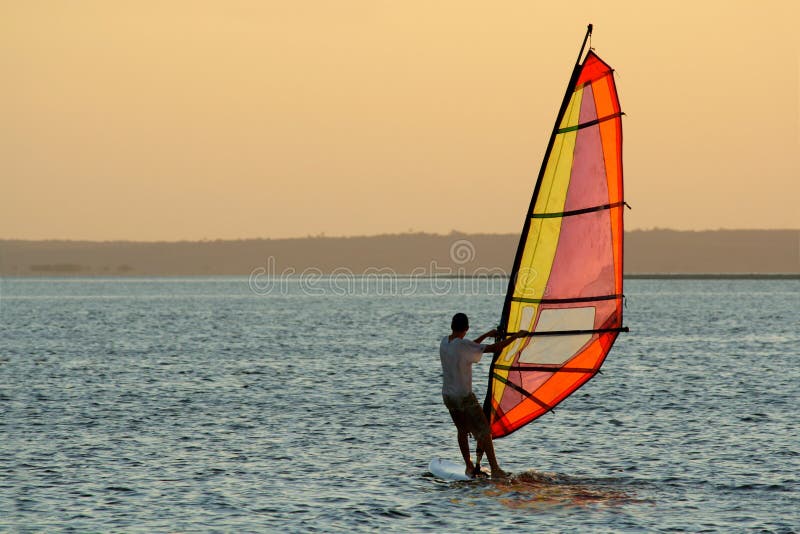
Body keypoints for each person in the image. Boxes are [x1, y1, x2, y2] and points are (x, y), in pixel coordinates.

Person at [439, 312, 528, 478]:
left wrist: (487, 334)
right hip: (463, 396)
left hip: (448, 396)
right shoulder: (463, 345)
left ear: (452, 326)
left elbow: (470, 345)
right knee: (485, 430)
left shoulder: (445, 342)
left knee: (462, 430)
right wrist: (516, 336)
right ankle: (495, 469)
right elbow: (493, 349)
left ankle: (468, 466)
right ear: (466, 328)